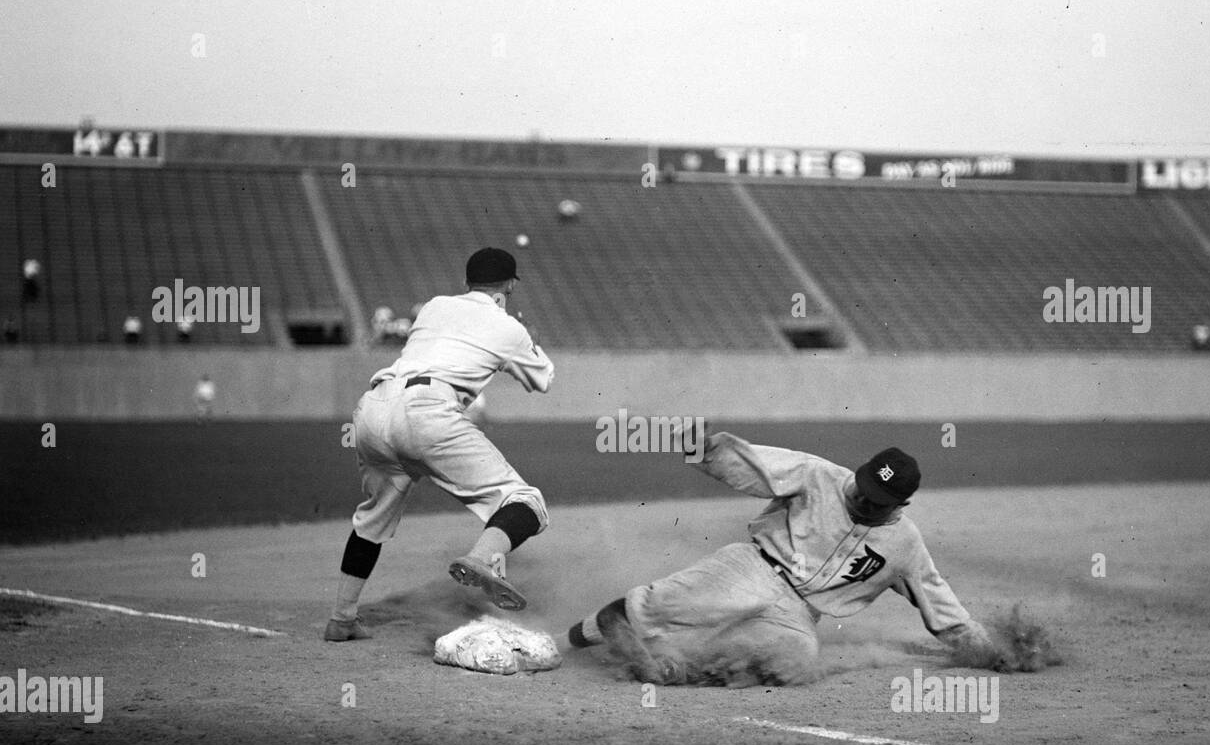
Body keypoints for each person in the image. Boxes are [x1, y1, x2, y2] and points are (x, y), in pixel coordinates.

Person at [567, 428, 993, 685]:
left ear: (901, 503)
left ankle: (678, 671)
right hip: (755, 568)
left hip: (799, 616)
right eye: (863, 487)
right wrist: (705, 450)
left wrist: (989, 651)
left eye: (876, 500)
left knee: (795, 660)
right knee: (681, 605)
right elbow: (755, 465)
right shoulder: (819, 476)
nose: (863, 499)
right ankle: (594, 628)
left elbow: (941, 606)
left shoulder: (905, 545)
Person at [324, 247, 554, 642]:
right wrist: (528, 339)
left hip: (374, 409)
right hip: (428, 413)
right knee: (525, 502)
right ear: (508, 288)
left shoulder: (434, 306)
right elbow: (542, 380)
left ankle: (341, 619)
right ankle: (482, 561)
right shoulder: (507, 325)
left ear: (468, 282)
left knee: (373, 519)